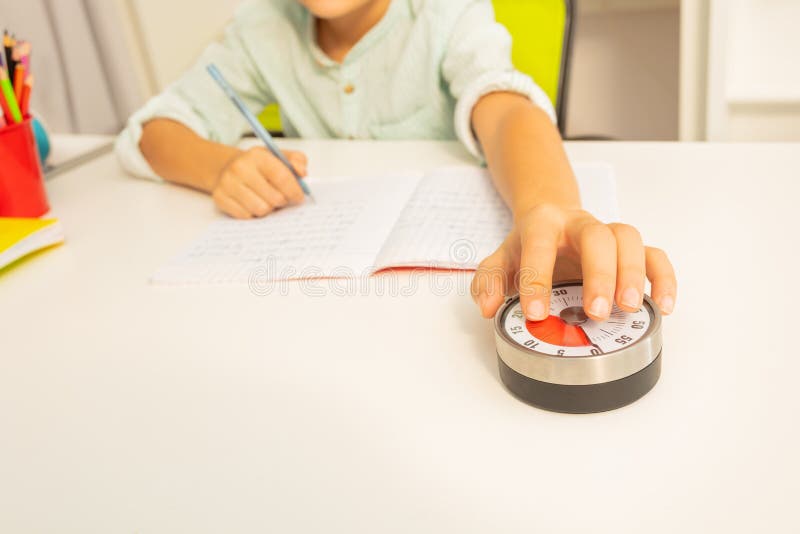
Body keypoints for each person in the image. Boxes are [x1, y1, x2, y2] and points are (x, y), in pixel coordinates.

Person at [115, 0, 676, 321]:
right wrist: (217, 166)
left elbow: (502, 107)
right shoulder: (261, 28)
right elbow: (151, 132)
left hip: (430, 304)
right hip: (319, 308)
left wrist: (546, 207)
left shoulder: (445, 14)